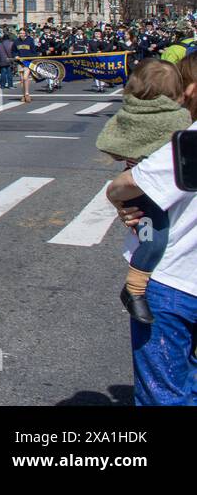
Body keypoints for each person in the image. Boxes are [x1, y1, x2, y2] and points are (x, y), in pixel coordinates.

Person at [106, 53, 197, 405]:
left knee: (165, 395)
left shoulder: (186, 142)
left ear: (190, 90)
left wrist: (117, 198)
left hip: (177, 283)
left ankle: (135, 288)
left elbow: (126, 185)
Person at [95, 58, 191, 324]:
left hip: (142, 188)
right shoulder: (179, 120)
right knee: (153, 237)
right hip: (144, 190)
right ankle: (134, 289)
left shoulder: (173, 119)